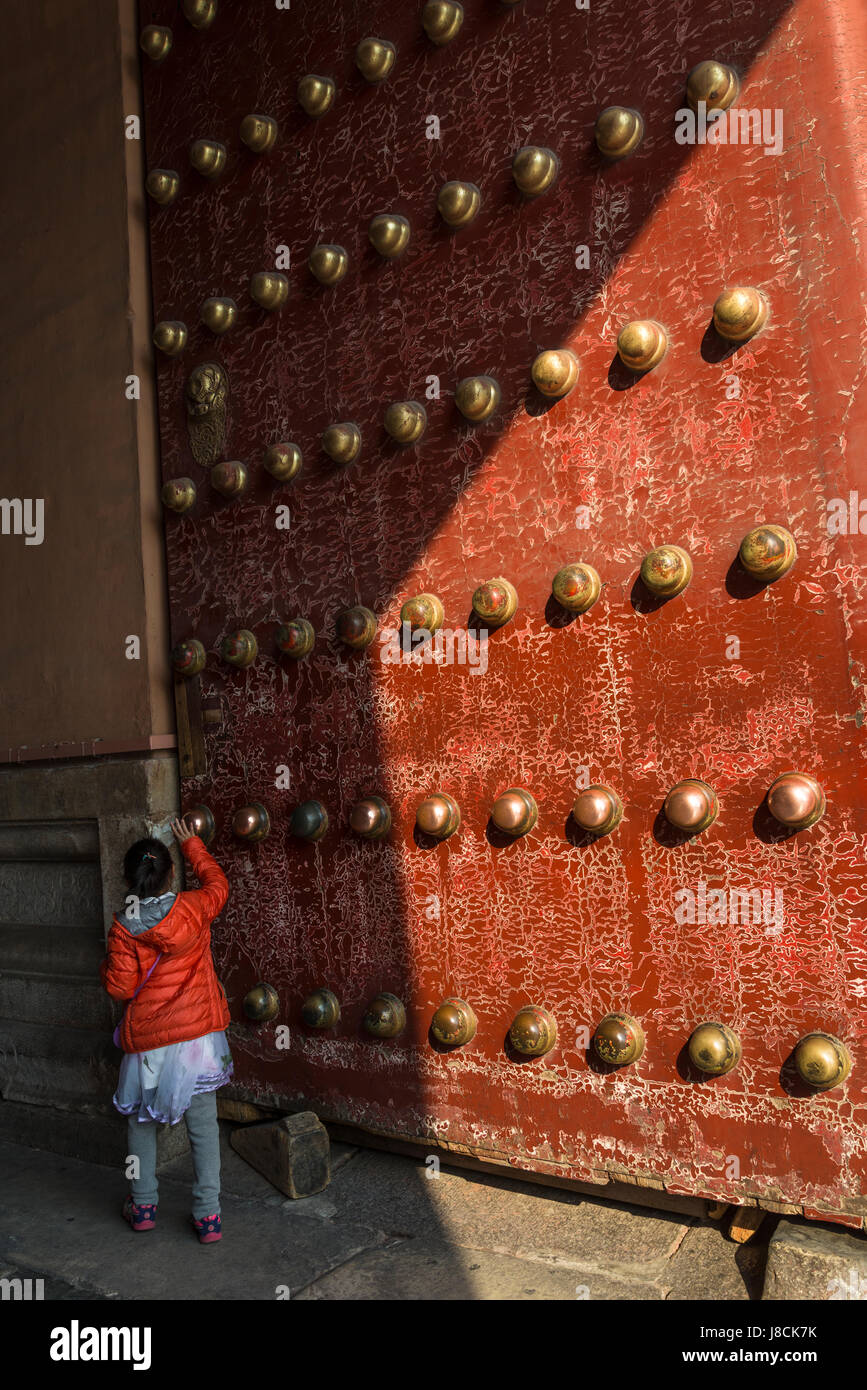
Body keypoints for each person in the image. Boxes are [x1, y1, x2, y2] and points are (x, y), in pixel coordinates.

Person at [100, 816, 231, 1243]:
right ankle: (208, 1215)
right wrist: (192, 844)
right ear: (170, 873)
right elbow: (218, 885)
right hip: (197, 1040)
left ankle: (142, 1206)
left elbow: (120, 986)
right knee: (203, 1126)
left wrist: (109, 961)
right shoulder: (194, 908)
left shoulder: (124, 927)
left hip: (152, 1044)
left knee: (140, 1123)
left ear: (129, 879)